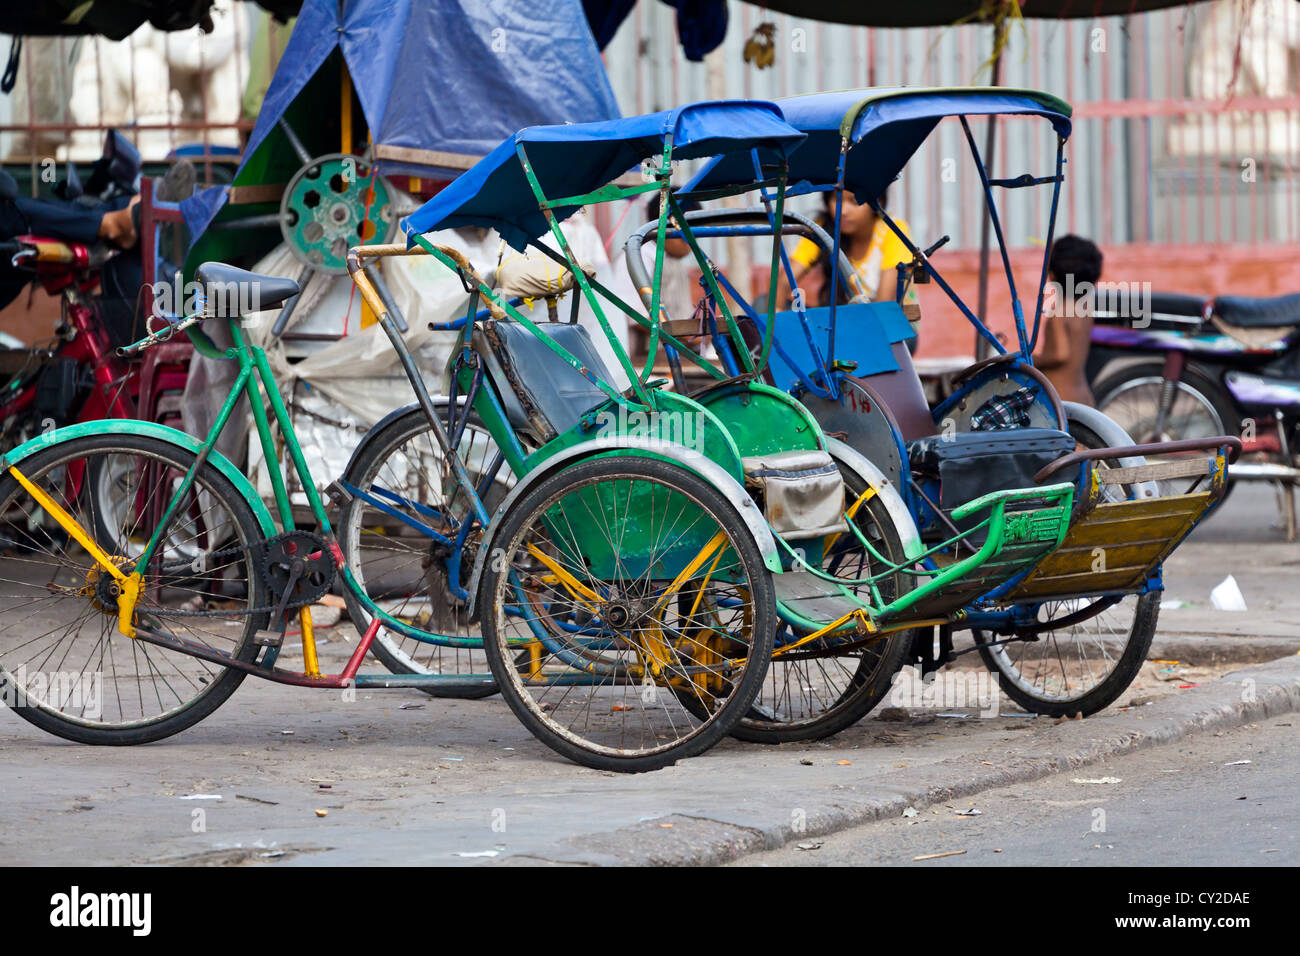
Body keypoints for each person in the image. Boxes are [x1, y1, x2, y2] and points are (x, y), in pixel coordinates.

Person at [782, 189, 914, 308]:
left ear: (878, 202)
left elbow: (884, 304)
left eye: (855, 202)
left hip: (888, 322)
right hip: (848, 319)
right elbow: (782, 283)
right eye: (837, 199)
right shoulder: (822, 229)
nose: (843, 211)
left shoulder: (893, 231)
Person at [1035, 234, 1103, 406]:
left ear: (1052, 275)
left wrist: (1031, 360)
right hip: (1084, 396)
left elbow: (1060, 354)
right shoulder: (1084, 310)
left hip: (1061, 399)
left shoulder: (1059, 311)